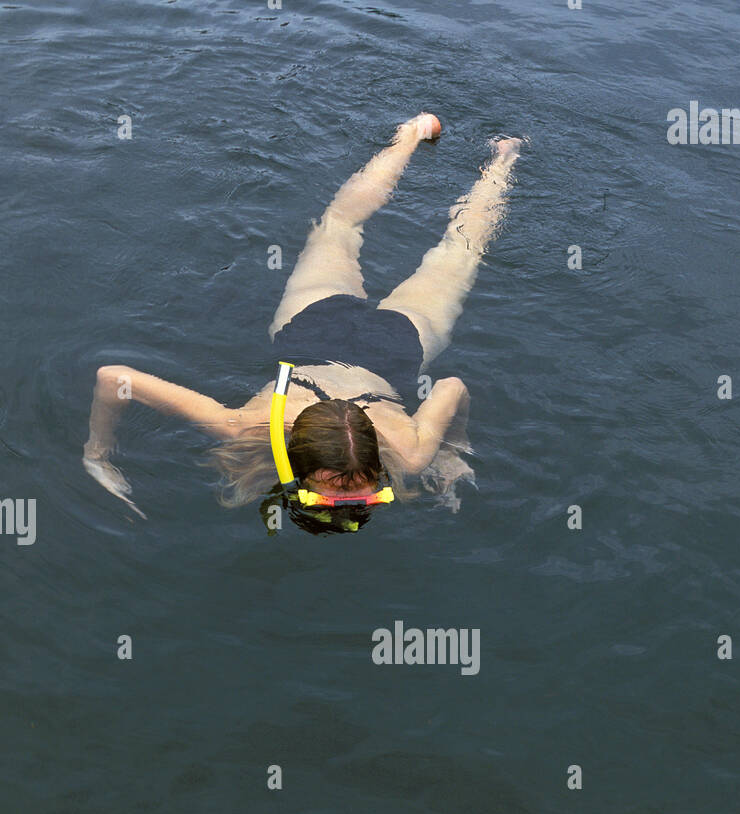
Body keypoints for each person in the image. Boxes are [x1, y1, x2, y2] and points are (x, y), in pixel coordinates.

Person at [83, 113, 524, 530]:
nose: (351, 504)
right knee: (434, 247)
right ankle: (496, 155)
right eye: (354, 497)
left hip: (328, 332)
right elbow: (450, 387)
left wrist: (448, 450)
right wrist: (451, 448)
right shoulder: (409, 454)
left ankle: (453, 144)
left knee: (348, 228)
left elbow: (114, 377)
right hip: (381, 345)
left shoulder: (251, 429)